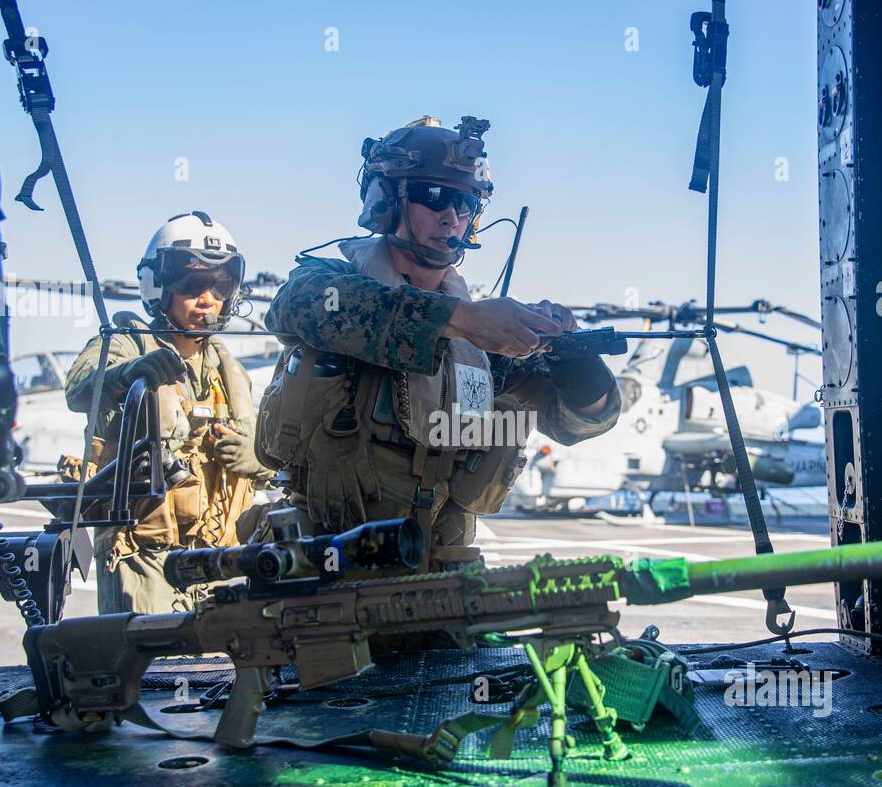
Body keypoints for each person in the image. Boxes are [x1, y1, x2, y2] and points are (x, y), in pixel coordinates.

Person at [256, 116, 621, 572]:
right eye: (433, 196)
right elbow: (299, 306)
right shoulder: (332, 282)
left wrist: (569, 355)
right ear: (385, 200)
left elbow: (580, 422)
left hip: (442, 572)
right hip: (324, 560)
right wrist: (463, 320)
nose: (451, 215)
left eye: (464, 202)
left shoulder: (483, 345)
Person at [63, 211, 272, 613]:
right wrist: (127, 374)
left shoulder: (232, 373)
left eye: (221, 284)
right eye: (193, 284)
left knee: (222, 672)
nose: (208, 298)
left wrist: (257, 458)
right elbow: (79, 388)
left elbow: (281, 459)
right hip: (144, 560)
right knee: (154, 671)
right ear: (157, 285)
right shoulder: (129, 343)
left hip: (220, 562)